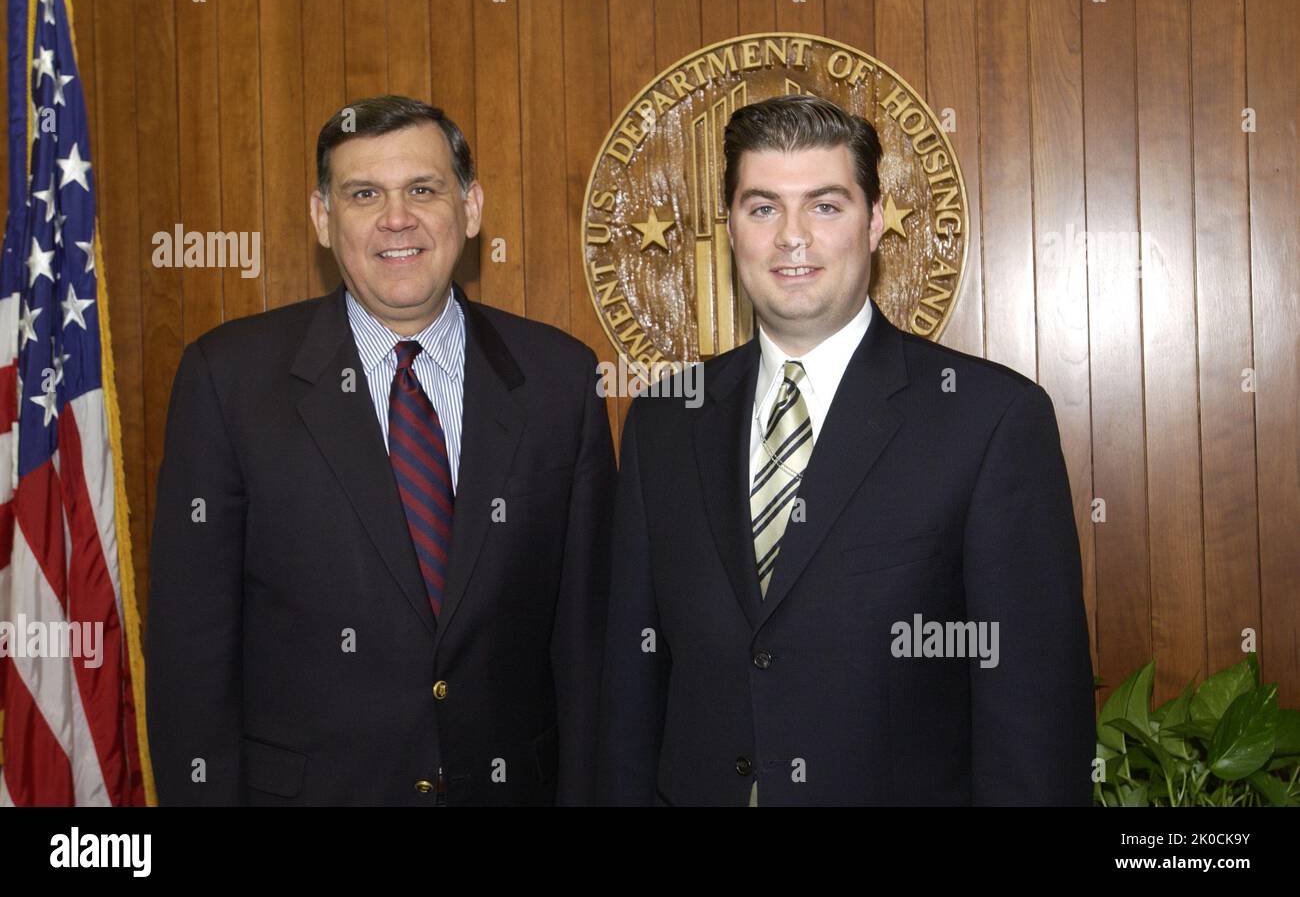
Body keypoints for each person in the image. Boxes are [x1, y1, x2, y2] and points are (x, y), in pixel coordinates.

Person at [598, 94, 1094, 805]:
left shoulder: (990, 422)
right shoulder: (663, 421)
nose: (791, 237)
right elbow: (631, 691)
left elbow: (1034, 718)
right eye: (762, 207)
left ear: (875, 220)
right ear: (730, 227)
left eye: (825, 206)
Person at [147, 95, 614, 805]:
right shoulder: (228, 380)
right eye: (364, 194)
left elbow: (588, 651)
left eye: (422, 189)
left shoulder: (560, 379)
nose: (397, 218)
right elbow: (191, 660)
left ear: (472, 207)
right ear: (322, 219)